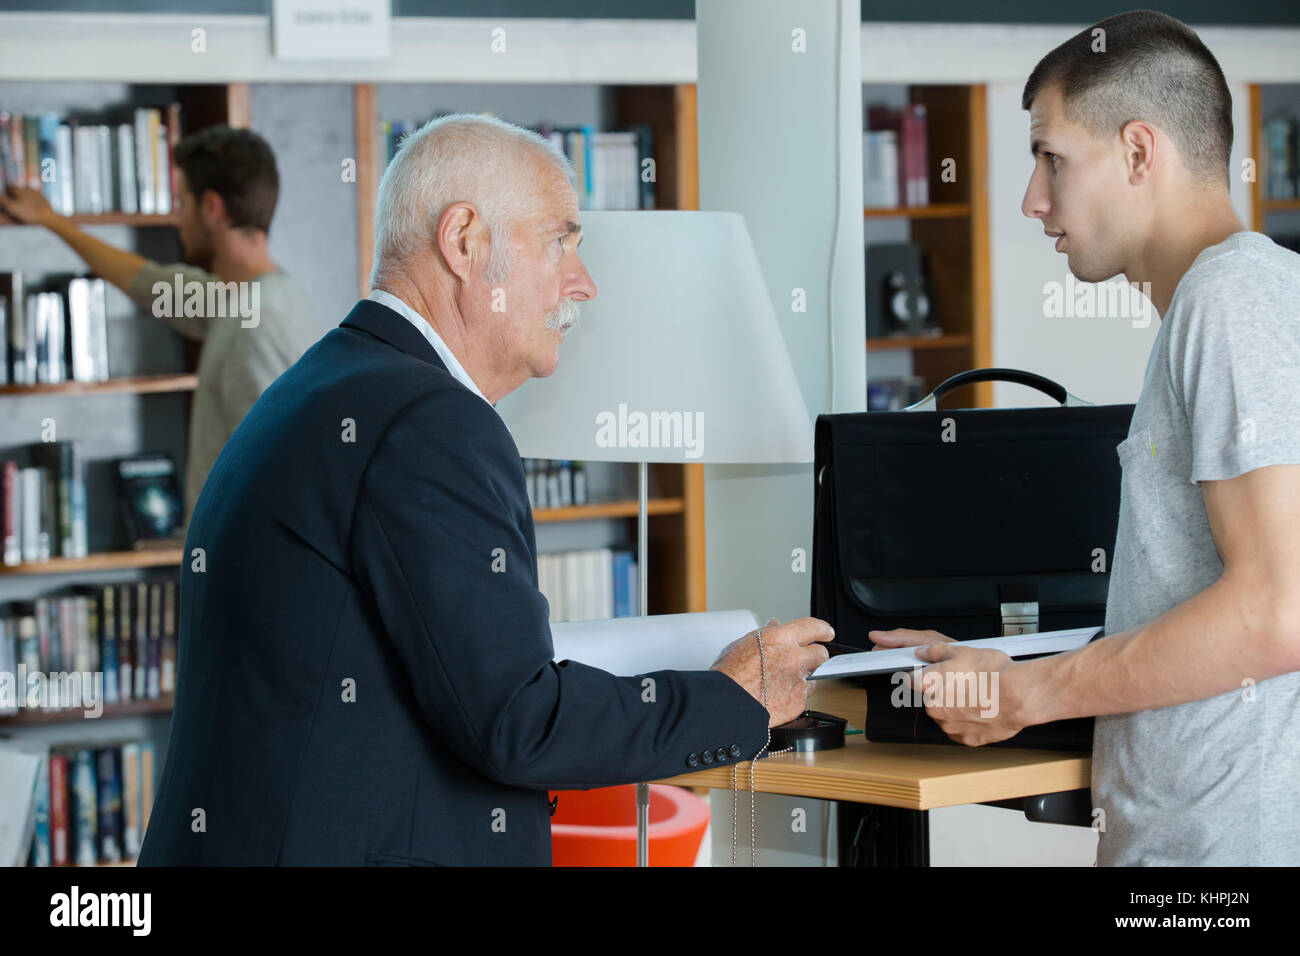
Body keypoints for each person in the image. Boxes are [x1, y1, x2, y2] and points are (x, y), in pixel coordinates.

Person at [135, 113, 832, 865]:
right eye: (560, 241)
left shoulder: (329, 386)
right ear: (464, 242)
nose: (583, 284)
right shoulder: (430, 421)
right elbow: (516, 721)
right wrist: (733, 696)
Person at [870, 10, 1300, 866]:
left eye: (1051, 158)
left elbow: (1276, 613)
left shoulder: (1228, 305)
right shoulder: (1253, 293)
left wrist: (1030, 692)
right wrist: (1008, 673)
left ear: (1140, 152)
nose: (1032, 199)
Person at [0, 125, 320, 524]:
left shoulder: (256, 321)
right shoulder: (242, 300)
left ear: (212, 208)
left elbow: (282, 475)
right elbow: (147, 282)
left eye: (181, 203)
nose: (176, 219)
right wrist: (53, 221)